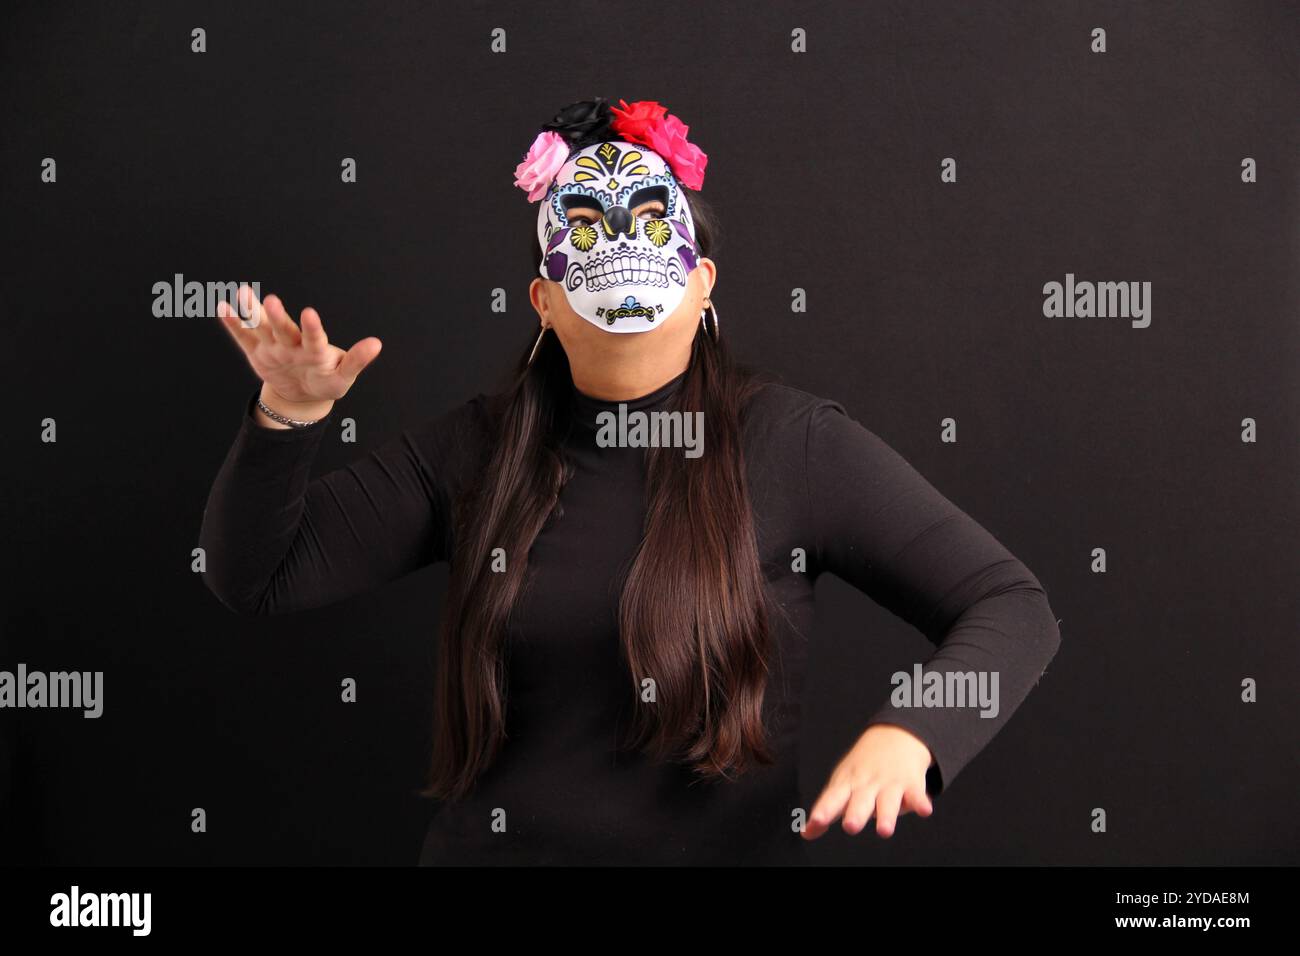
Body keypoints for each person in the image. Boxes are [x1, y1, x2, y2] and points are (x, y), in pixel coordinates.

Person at [199, 97, 1062, 866]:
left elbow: (1011, 606)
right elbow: (257, 575)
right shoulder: (477, 448)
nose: (620, 243)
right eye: (584, 222)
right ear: (543, 300)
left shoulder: (793, 445)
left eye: (651, 218)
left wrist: (915, 733)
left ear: (703, 287)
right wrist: (288, 415)